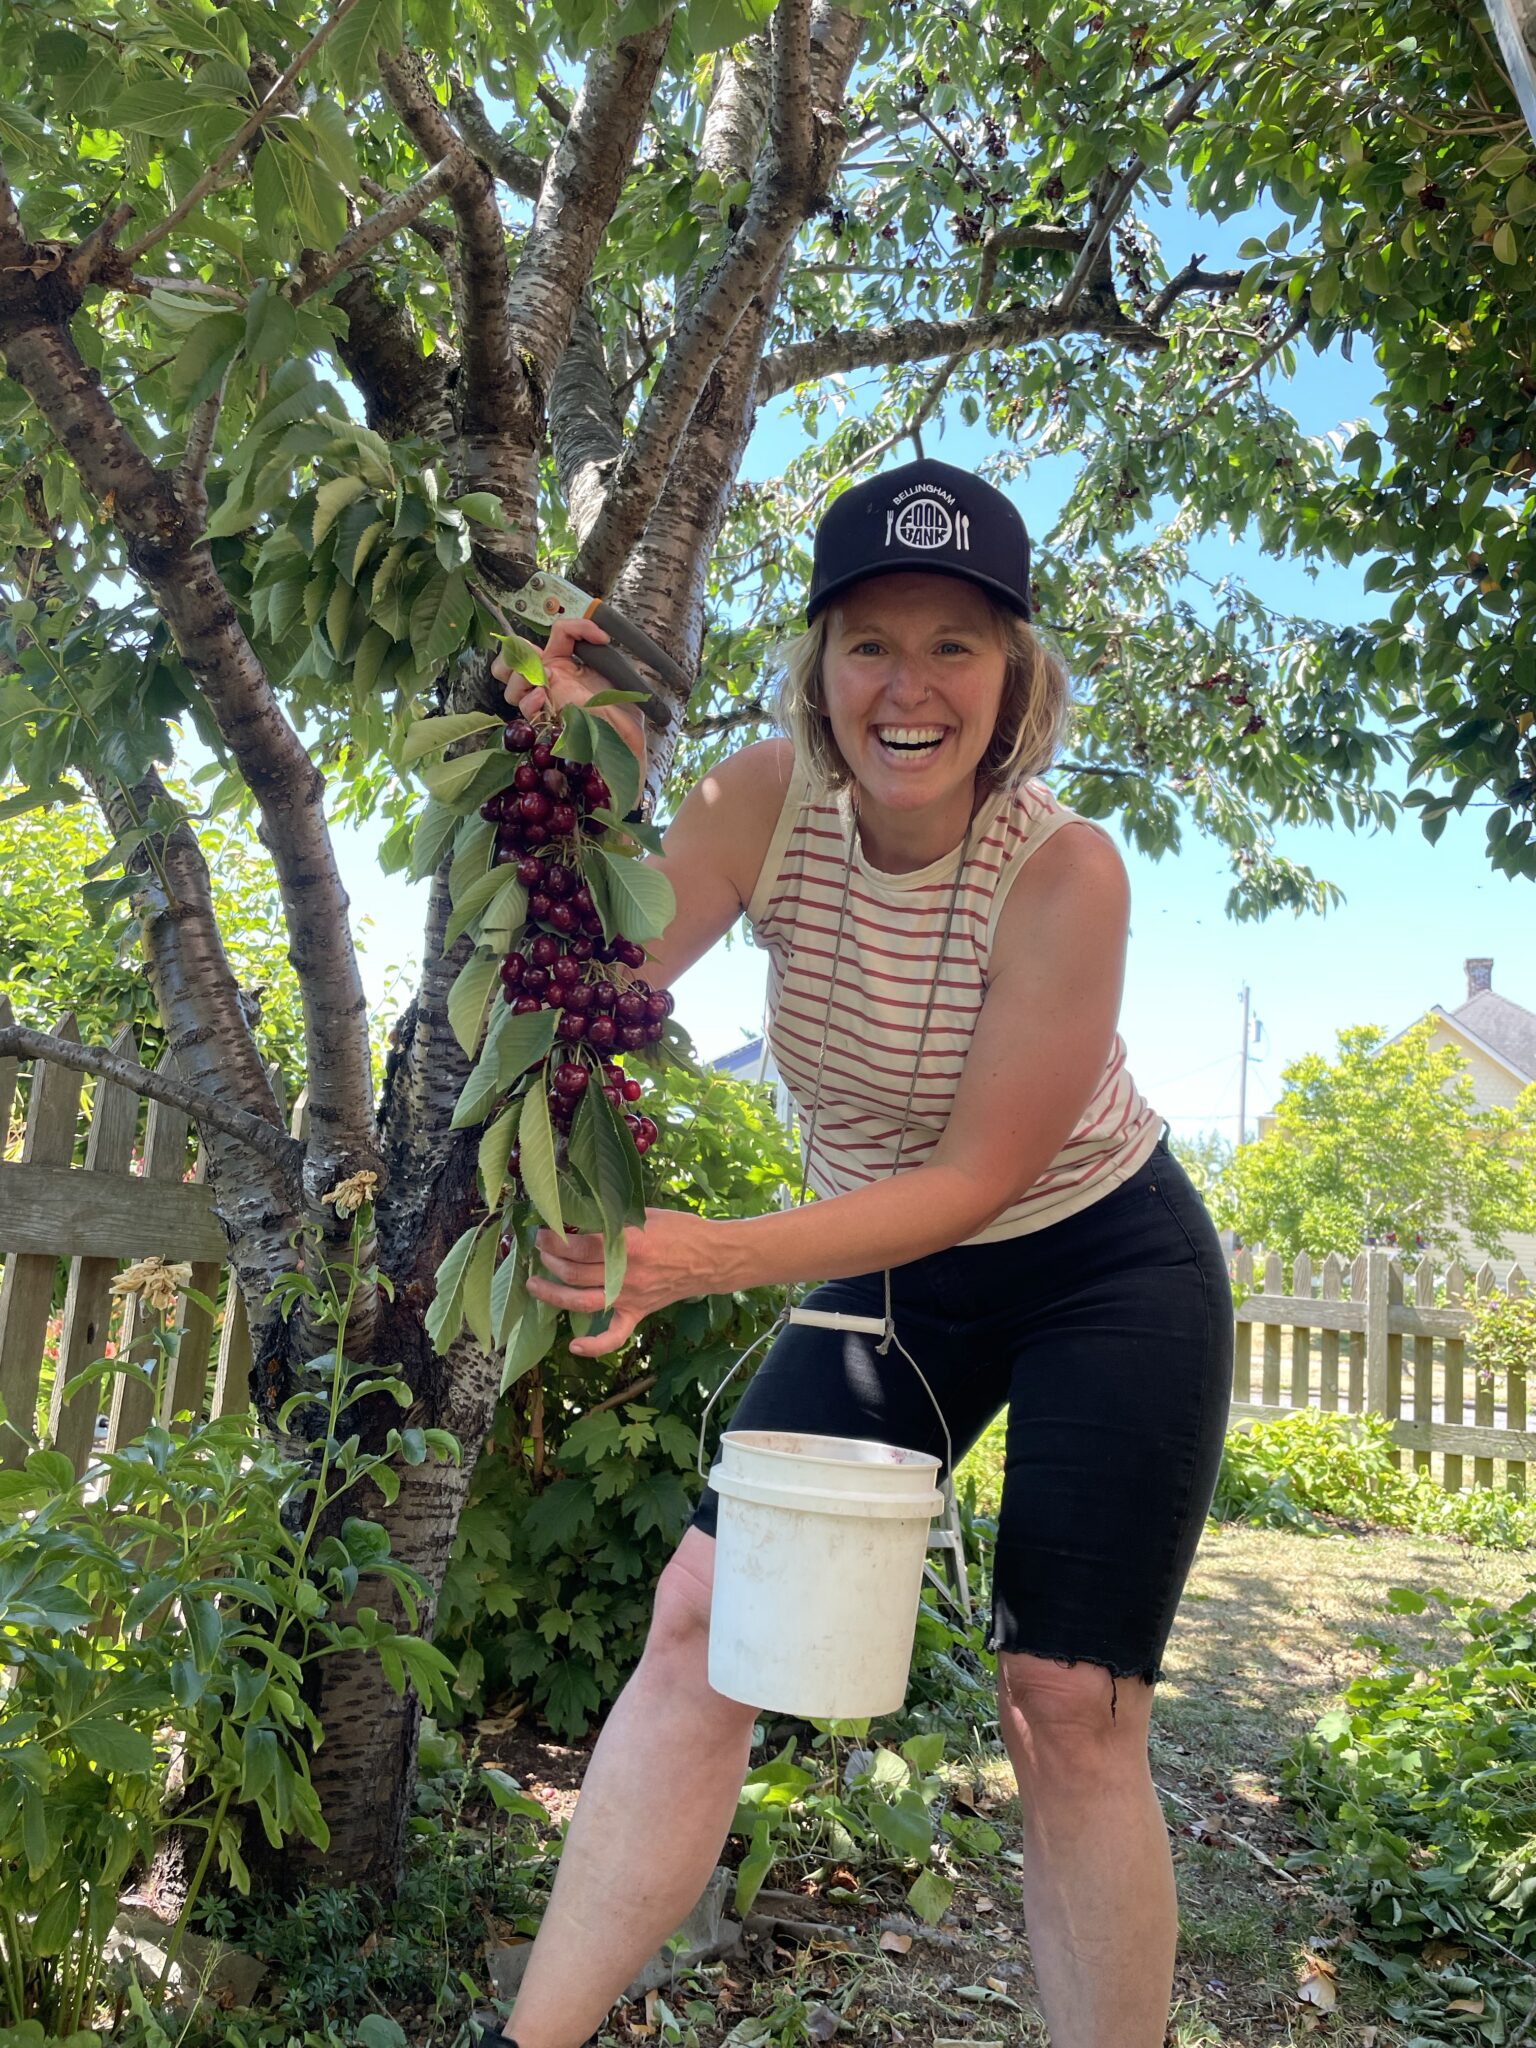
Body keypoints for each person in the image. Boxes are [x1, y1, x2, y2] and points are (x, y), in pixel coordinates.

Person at [485, 459, 1233, 2048]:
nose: (910, 686)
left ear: (1016, 674)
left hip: (1107, 1262)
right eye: (870, 642)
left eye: (956, 644)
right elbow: (589, 981)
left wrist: (701, 1257)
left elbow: (972, 1178)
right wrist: (583, 784)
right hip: (893, 1274)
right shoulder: (763, 803)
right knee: (700, 1624)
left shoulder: (1065, 870)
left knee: (1067, 1708)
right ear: (818, 666)